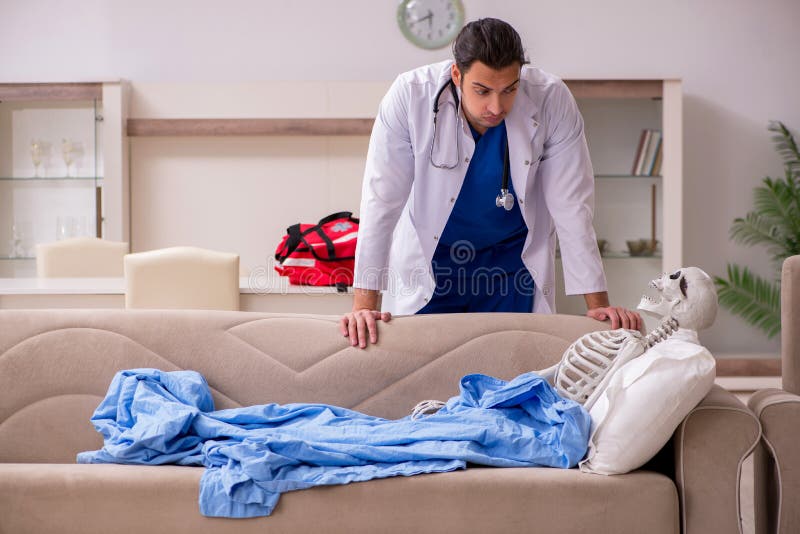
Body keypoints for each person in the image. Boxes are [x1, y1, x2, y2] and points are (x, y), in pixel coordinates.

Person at [340, 18, 642, 348]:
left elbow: (573, 207)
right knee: (427, 377)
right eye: (482, 91)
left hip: (511, 272)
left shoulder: (552, 99)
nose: (496, 107)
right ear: (457, 75)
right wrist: (364, 307)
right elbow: (380, 203)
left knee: (509, 374)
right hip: (434, 265)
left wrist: (597, 307)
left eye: (509, 89)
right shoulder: (410, 96)